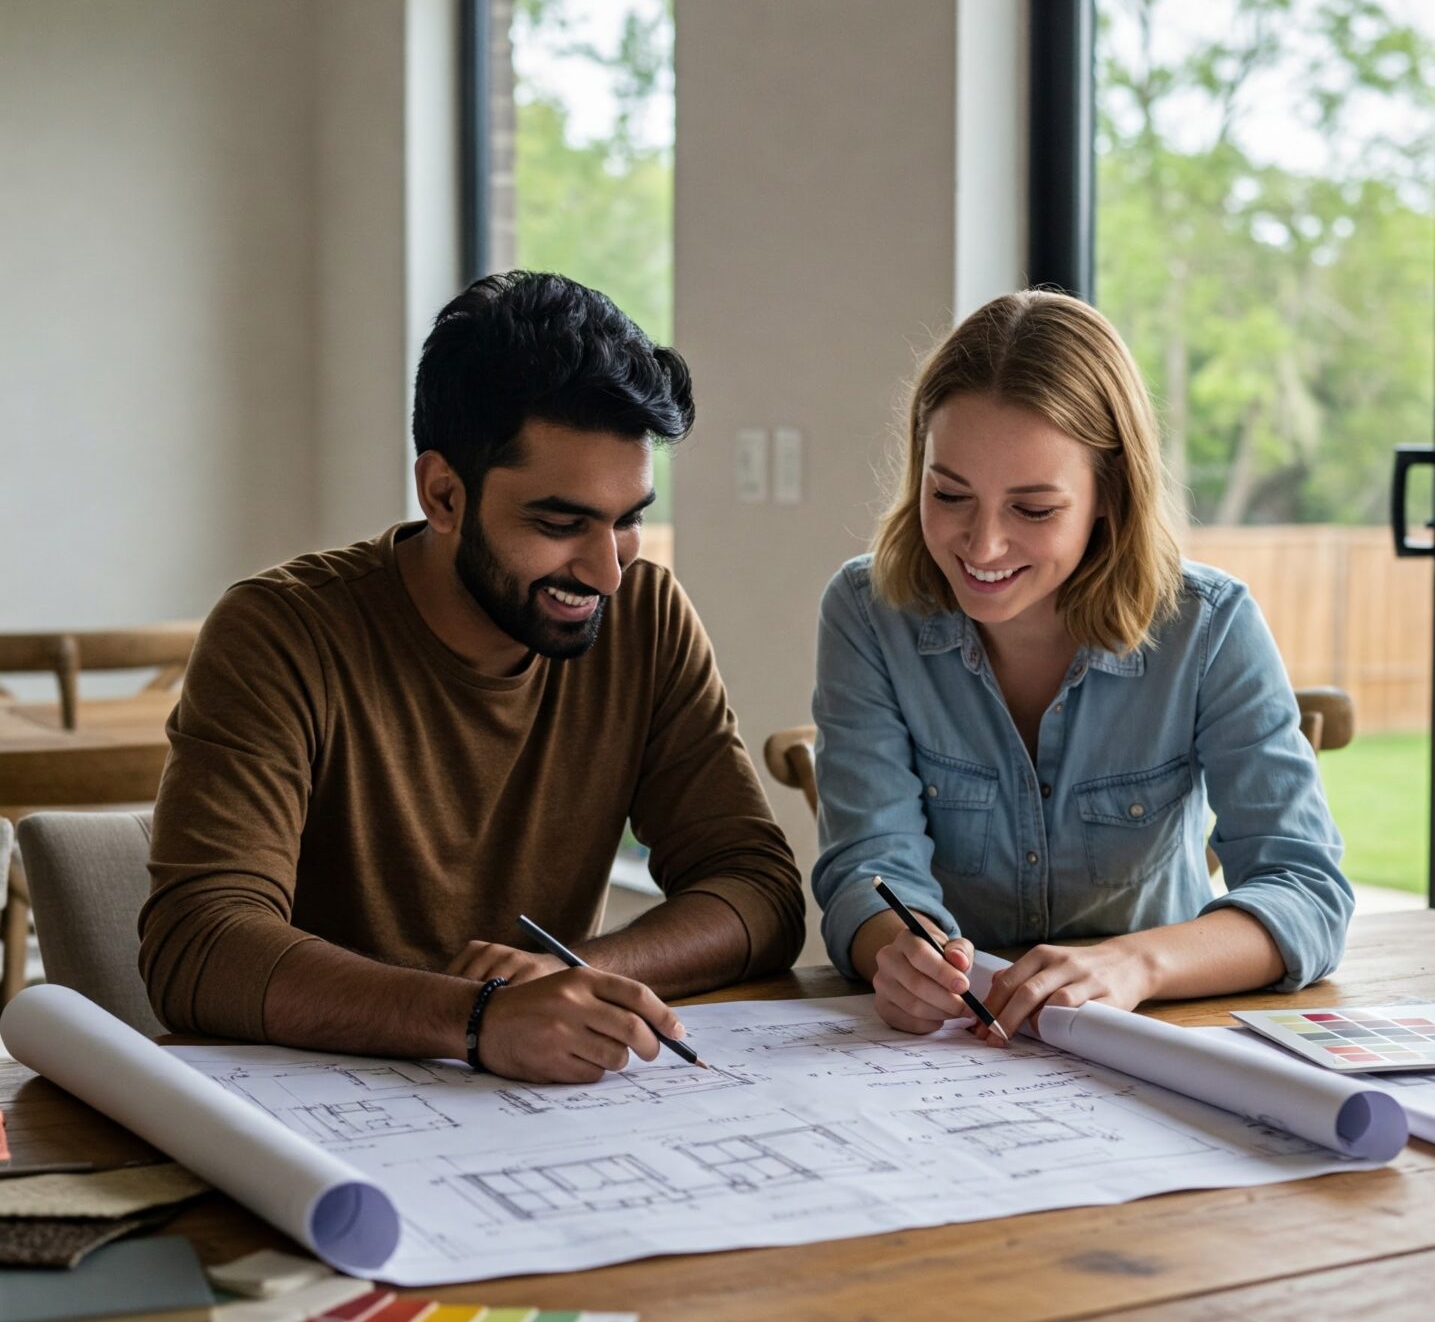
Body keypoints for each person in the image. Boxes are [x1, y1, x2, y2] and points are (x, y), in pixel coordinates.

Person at [141, 271, 804, 1082]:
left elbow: (758, 889)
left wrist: (572, 979)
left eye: (627, 520)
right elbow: (199, 945)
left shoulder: (646, 617)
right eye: (561, 524)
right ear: (444, 494)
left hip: (525, 1117)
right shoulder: (280, 634)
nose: (607, 572)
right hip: (314, 1106)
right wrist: (478, 1018)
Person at [811, 289, 1352, 1042]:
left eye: (1033, 509)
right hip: (953, 1052)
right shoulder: (869, 611)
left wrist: (1138, 965)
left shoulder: (1211, 625)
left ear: (1110, 495)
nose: (983, 545)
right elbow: (868, 866)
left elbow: (1307, 889)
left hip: (1160, 1038)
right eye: (950, 494)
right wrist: (895, 955)